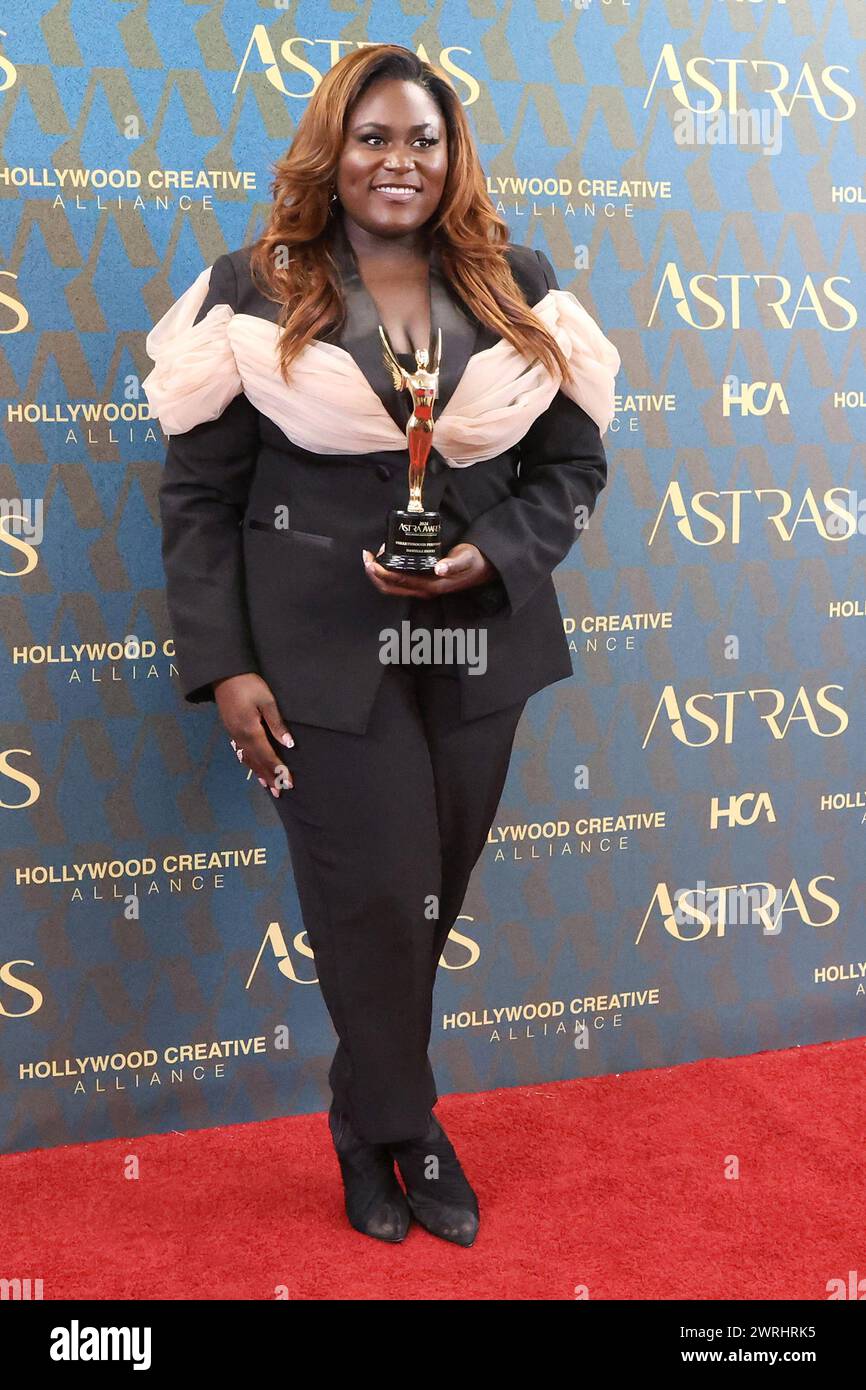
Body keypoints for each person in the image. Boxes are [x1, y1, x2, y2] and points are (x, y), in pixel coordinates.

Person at [143, 43, 620, 1248]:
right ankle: (401, 1133)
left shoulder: (519, 281)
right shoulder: (255, 285)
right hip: (315, 659)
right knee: (371, 902)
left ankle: (363, 1110)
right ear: (332, 151)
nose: (396, 160)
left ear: (451, 155)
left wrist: (489, 556)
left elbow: (569, 468)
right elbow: (197, 497)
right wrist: (227, 663)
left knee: (425, 899)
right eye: (371, 137)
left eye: (421, 138)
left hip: (477, 653)